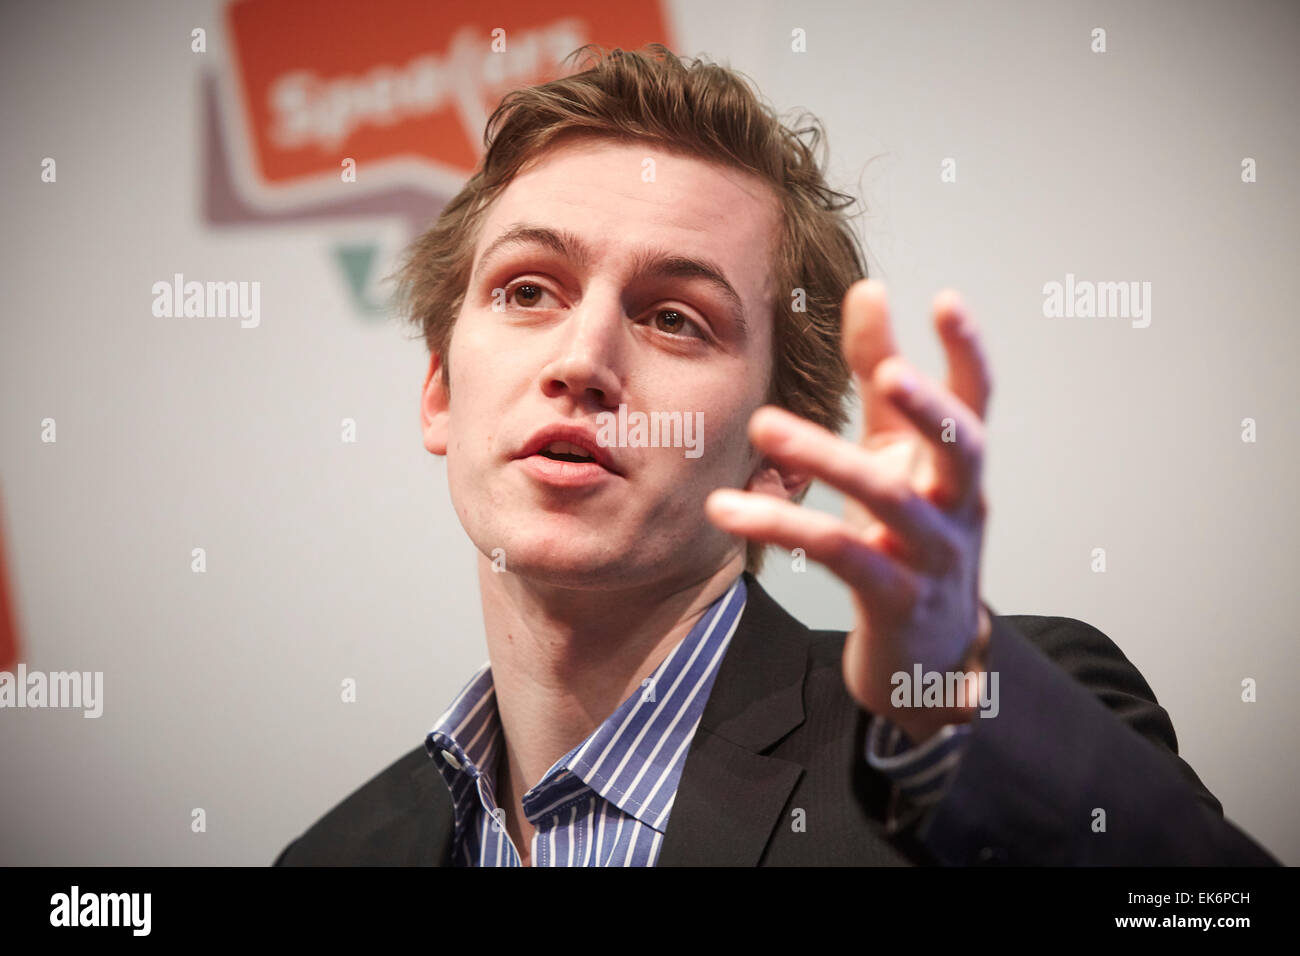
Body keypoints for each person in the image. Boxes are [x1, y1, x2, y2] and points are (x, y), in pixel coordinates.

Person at [274, 44, 1277, 866]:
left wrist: (950, 698)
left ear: (781, 452)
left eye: (674, 317)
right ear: (440, 389)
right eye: (528, 290)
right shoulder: (332, 854)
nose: (581, 358)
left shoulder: (953, 739)